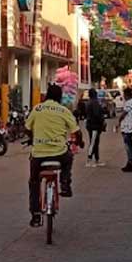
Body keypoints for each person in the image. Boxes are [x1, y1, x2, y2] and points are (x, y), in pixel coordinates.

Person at [26, 84, 78, 227]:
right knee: (69, 158)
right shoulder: (63, 111)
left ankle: (35, 214)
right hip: (59, 153)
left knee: (34, 182)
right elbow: (76, 130)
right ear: (60, 96)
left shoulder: (37, 109)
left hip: (39, 155)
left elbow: (27, 128)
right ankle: (65, 183)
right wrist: (80, 142)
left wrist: (32, 138)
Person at [84, 89, 106, 168]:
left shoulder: (88, 102)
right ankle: (89, 160)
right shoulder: (95, 102)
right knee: (93, 143)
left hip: (90, 125)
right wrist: (102, 121)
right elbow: (97, 114)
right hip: (94, 126)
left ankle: (97, 159)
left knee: (95, 143)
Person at [119, 87, 132, 173]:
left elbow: (123, 114)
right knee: (129, 146)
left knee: (128, 147)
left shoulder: (129, 102)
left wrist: (118, 121)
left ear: (126, 95)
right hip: (129, 127)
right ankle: (130, 163)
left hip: (127, 128)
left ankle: (130, 163)